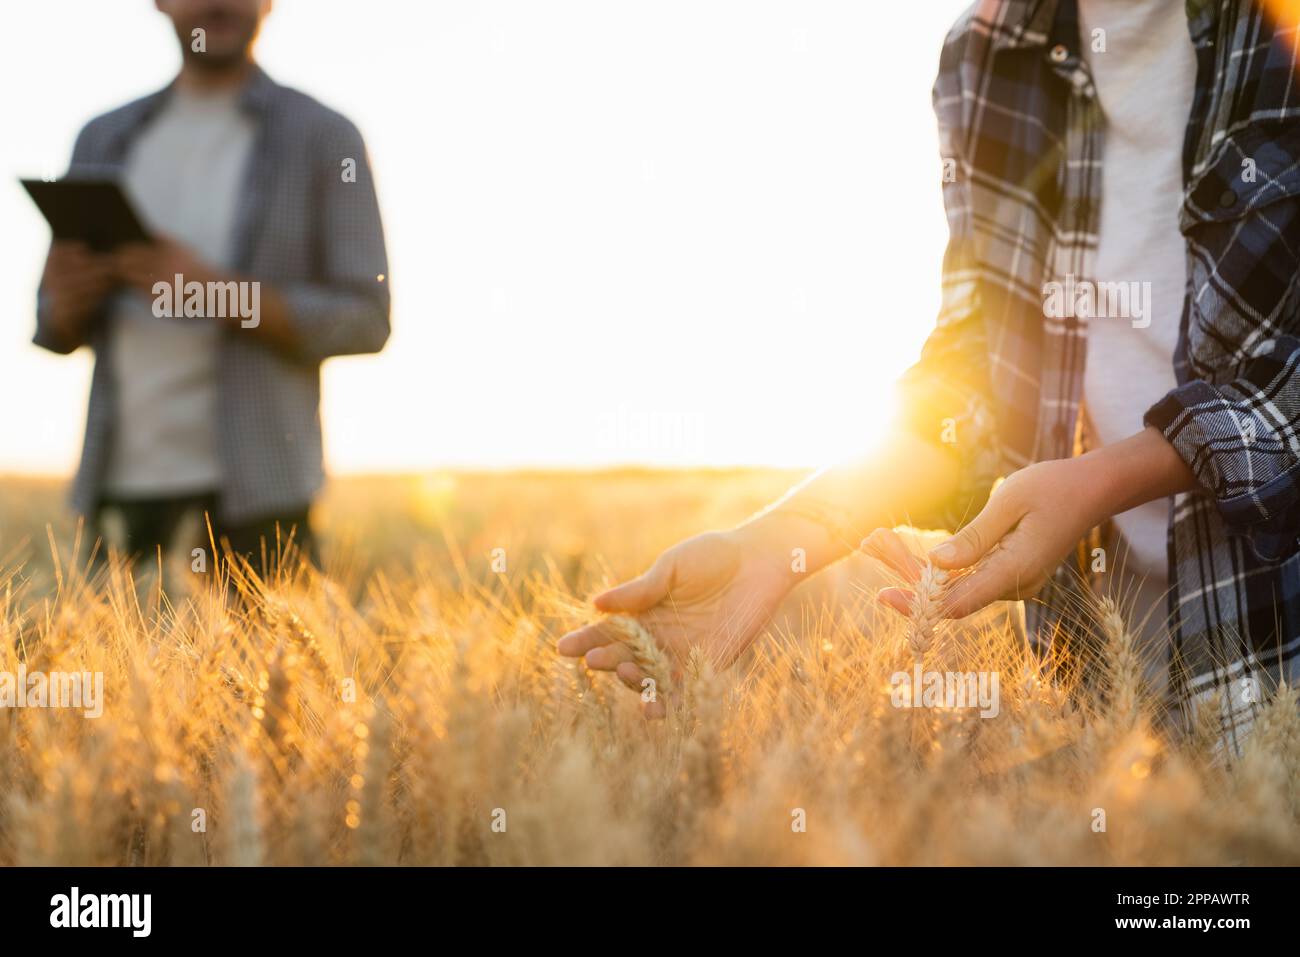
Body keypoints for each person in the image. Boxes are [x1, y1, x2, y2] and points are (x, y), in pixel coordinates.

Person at [560, 0, 1300, 753]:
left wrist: (1097, 482)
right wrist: (773, 542)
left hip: (1277, 652)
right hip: (1108, 684)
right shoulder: (986, 48)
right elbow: (977, 374)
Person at [34, 0, 390, 568]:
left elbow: (365, 317)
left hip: (261, 499)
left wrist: (212, 293)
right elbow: (51, 320)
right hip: (116, 491)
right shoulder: (102, 138)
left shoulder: (324, 138)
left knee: (265, 660)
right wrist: (67, 303)